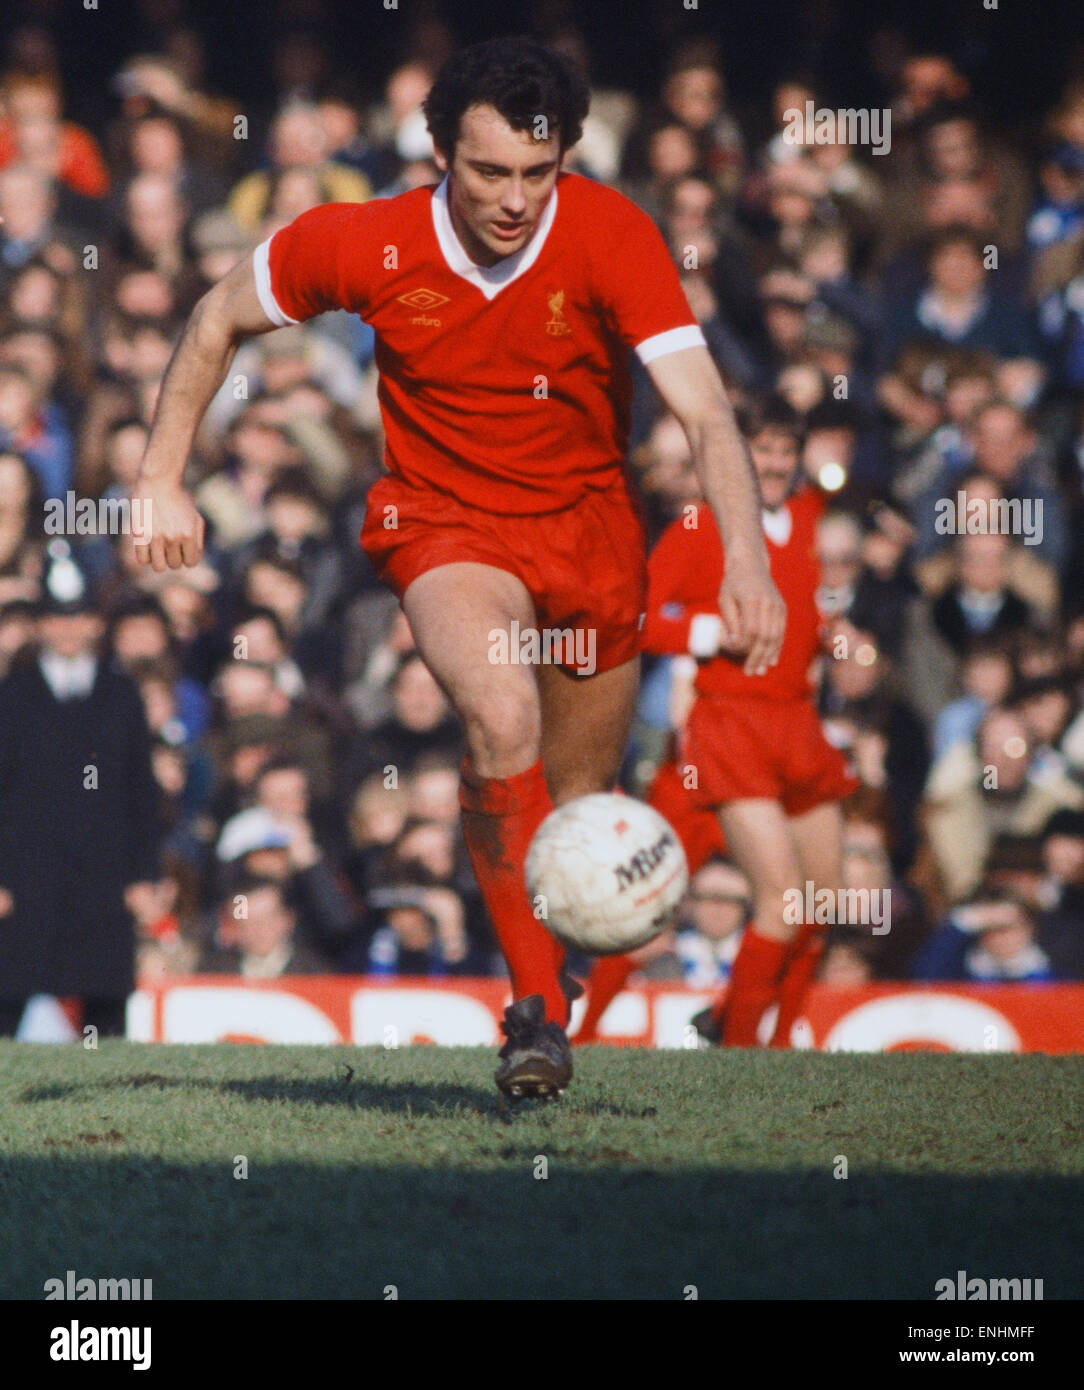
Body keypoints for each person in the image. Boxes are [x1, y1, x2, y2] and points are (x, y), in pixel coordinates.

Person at [130, 36, 783, 1099]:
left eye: (539, 171)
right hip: (444, 524)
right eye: (489, 172)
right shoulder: (364, 240)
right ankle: (532, 1012)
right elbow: (214, 320)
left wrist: (745, 563)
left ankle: (550, 969)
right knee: (499, 720)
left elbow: (705, 409)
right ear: (439, 153)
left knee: (574, 807)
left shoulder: (614, 234)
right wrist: (159, 477)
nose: (516, 198)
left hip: (589, 533)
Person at [580, 394, 855, 1048]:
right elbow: (636, 618)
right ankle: (722, 1047)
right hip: (728, 728)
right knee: (752, 898)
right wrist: (707, 632)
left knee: (820, 899)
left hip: (797, 723)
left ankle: (773, 1037)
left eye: (786, 451)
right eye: (762, 449)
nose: (777, 463)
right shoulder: (704, 528)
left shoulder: (811, 519)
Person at [0, 566, 161, 1037]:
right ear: (40, 624)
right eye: (56, 617)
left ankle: (108, 1102)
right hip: (24, 877)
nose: (67, 629)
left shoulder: (121, 694)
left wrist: (144, 874)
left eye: (78, 616)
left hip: (105, 877)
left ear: (96, 623)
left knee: (106, 1005)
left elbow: (141, 792)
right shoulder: (11, 696)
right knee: (8, 998)